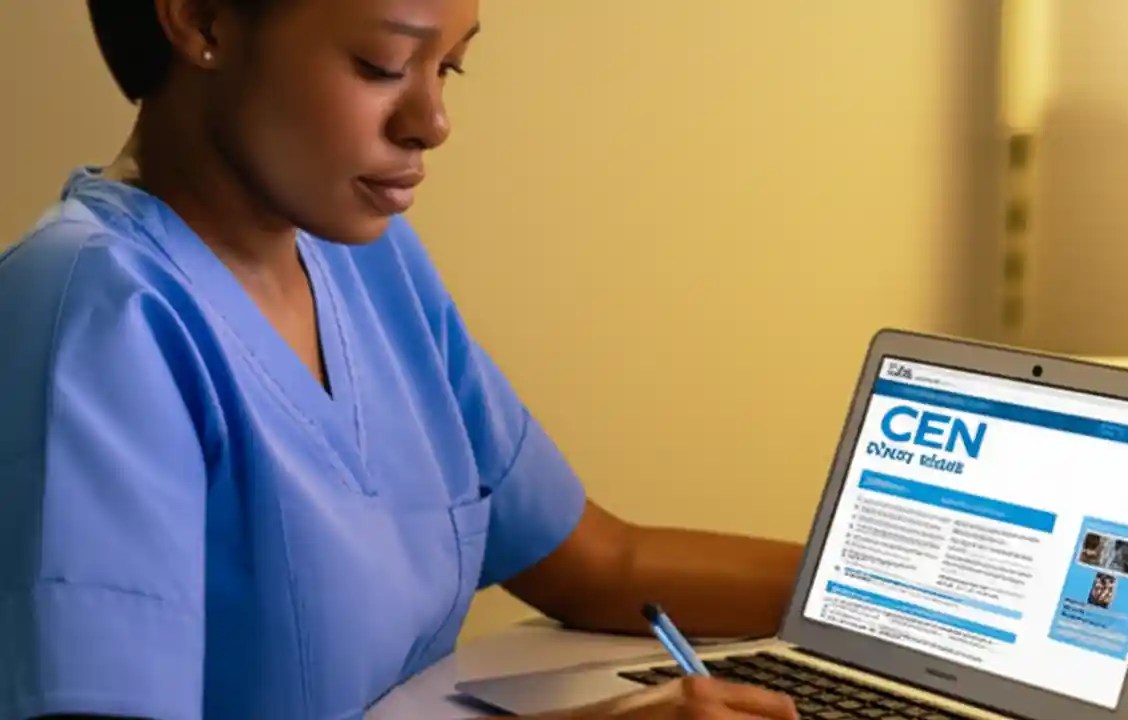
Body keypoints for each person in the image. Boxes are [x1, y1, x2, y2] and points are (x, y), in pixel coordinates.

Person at [0, 1, 804, 719]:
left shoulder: (368, 261)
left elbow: (600, 565)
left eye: (448, 66)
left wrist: (869, 605)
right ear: (203, 20)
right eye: (382, 64)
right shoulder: (94, 314)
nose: (433, 122)